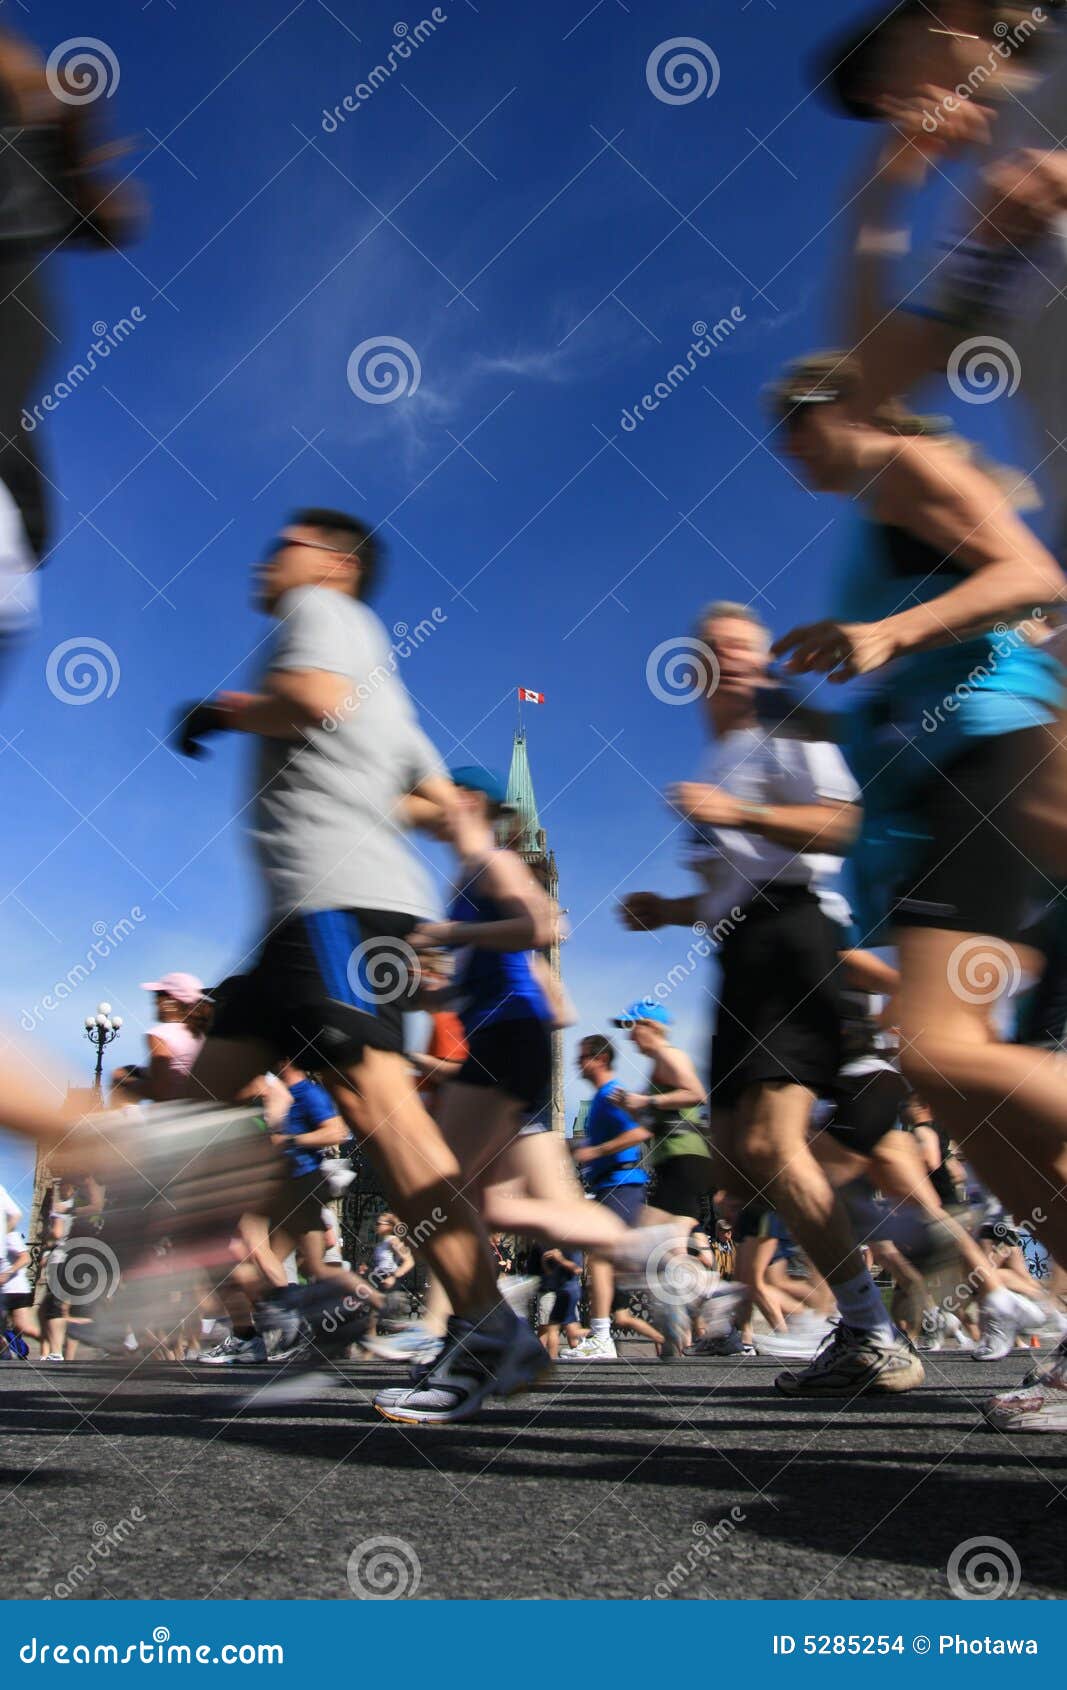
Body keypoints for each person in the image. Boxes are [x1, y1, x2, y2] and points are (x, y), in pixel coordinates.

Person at [173, 510, 544, 1422]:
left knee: (381, 1111)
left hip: (338, 907)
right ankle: (287, 1295)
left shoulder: (320, 613)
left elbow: (309, 699)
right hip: (301, 923)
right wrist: (495, 866)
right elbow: (438, 803)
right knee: (186, 1120)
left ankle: (489, 1331)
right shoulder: (386, 682)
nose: (271, 558)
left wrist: (220, 710)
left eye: (287, 544)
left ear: (335, 564)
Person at [770, 354, 1067, 1428]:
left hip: (990, 763)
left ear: (838, 411)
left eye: (792, 423)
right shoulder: (870, 521)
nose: (784, 446)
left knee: (940, 1057)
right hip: (940, 794)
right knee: (954, 1088)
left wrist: (885, 635)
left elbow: (1031, 574)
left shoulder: (904, 461)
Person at [620, 600, 924, 1396]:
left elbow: (842, 824)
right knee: (735, 1161)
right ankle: (876, 1276)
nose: (742, 661)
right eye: (723, 648)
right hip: (739, 949)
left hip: (792, 936)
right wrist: (673, 909)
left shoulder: (783, 719)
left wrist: (743, 812)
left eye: (750, 648)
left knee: (768, 1145)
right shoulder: (718, 751)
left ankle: (871, 1325)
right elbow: (732, 881)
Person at [140, 974, 213, 1102]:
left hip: (173, 1115)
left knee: (122, 1075)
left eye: (159, 995)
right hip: (205, 1110)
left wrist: (127, 1084)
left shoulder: (159, 1035)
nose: (155, 1001)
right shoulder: (205, 1036)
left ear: (172, 1000)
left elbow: (160, 1090)